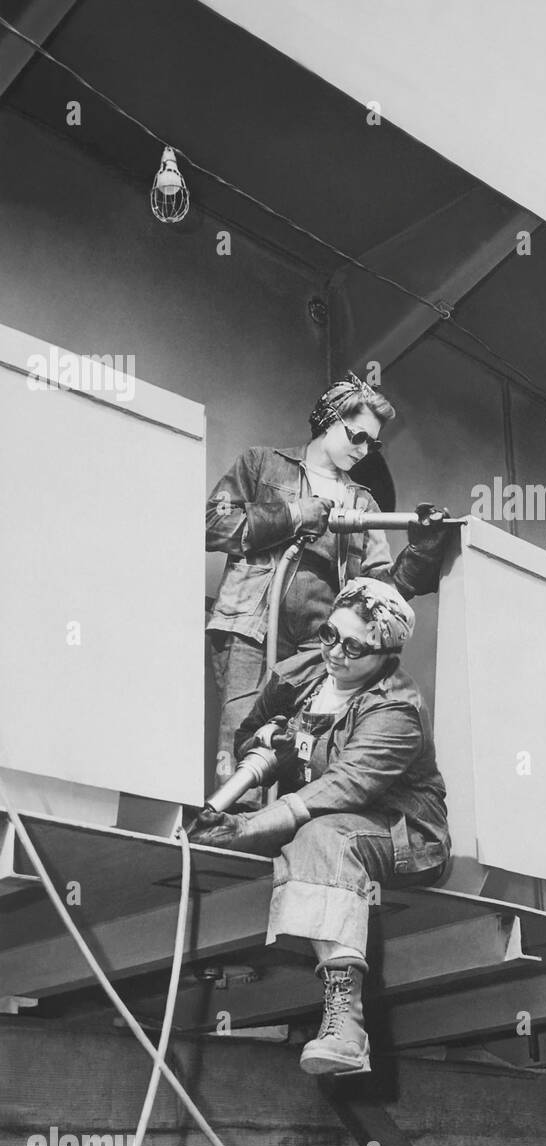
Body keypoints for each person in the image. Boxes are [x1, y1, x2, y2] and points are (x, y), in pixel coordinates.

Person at [190, 577, 450, 1076]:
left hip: (401, 830)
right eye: (332, 634)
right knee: (301, 835)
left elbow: (345, 788)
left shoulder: (397, 710)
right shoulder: (302, 672)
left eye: (354, 646)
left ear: (385, 653)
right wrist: (264, 742)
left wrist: (250, 829)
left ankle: (347, 1030)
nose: (336, 652)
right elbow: (250, 732)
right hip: (315, 820)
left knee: (320, 837)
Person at [205, 372, 448, 794]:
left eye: (372, 443)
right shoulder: (261, 464)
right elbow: (213, 525)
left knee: (304, 752)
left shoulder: (362, 503)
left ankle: (286, 842)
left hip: (319, 644)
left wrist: (423, 550)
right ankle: (228, 839)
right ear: (327, 418)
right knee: (242, 739)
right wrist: (295, 516)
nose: (364, 450)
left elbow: (379, 592)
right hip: (249, 628)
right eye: (357, 437)